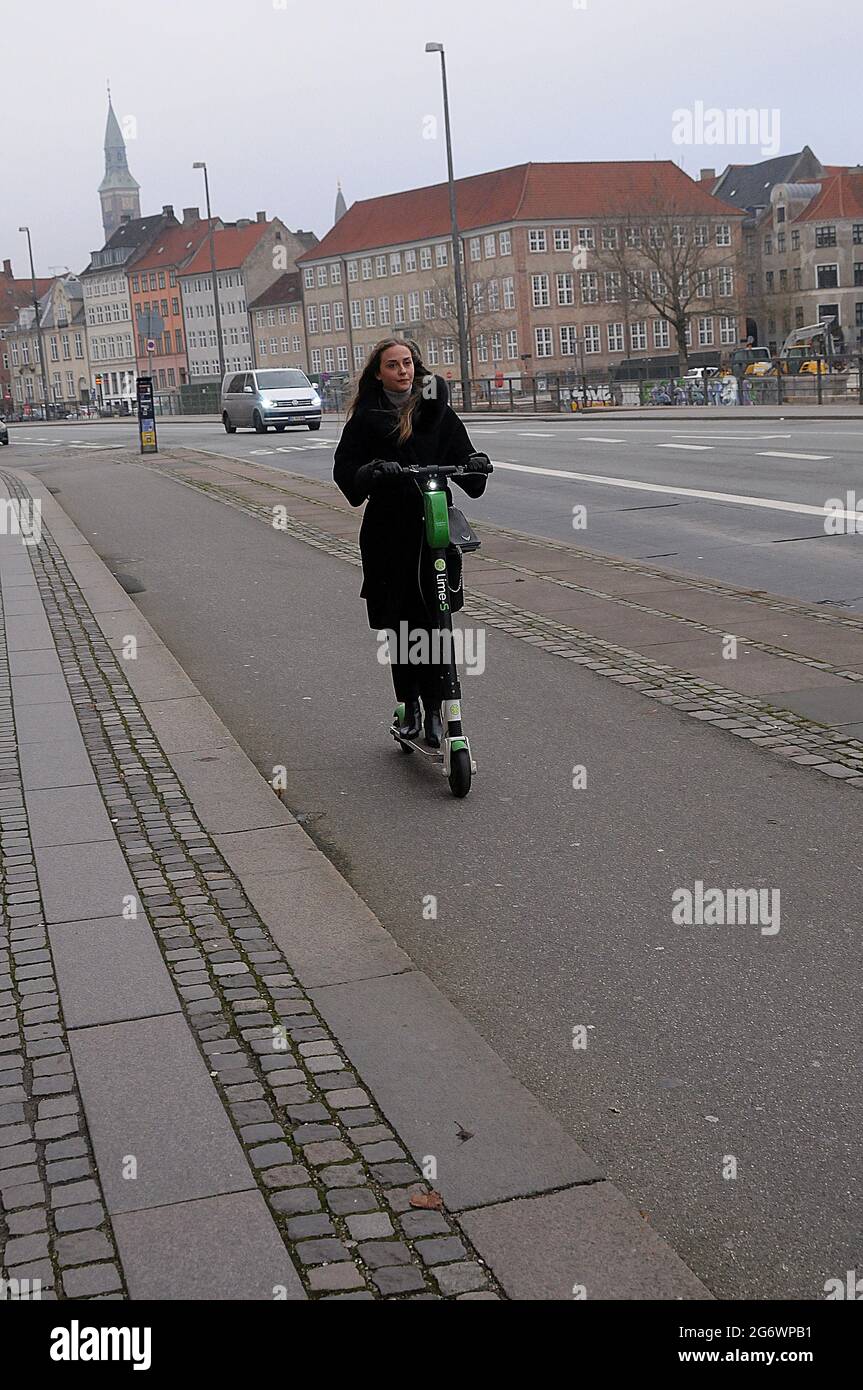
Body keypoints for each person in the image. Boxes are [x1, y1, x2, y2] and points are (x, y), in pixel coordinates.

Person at [333, 338, 492, 748]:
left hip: (434, 530)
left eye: (407, 363)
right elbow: (345, 471)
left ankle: (438, 709)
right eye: (392, 365)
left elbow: (466, 463)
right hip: (388, 534)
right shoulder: (367, 417)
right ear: (378, 372)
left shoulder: (436, 409)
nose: (402, 371)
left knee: (436, 622)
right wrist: (371, 471)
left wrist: (476, 465)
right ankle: (411, 705)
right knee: (401, 625)